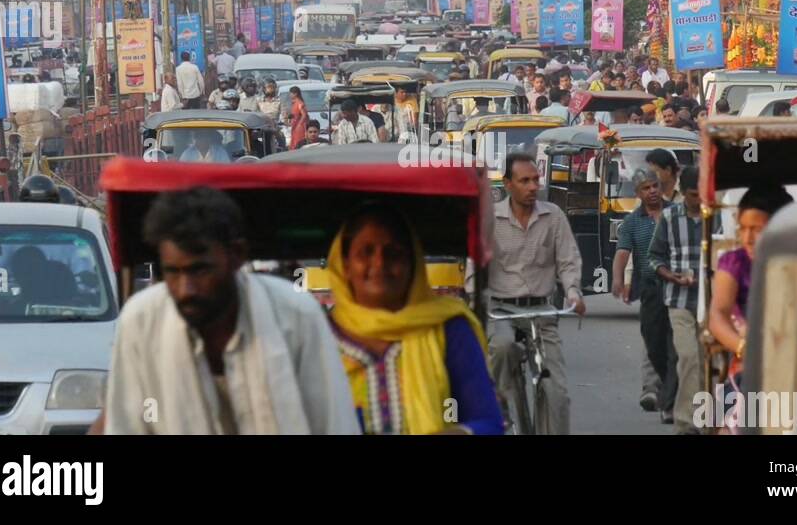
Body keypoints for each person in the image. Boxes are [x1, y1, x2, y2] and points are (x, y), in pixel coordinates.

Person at [103, 187, 359, 434]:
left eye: (199, 270)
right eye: (173, 272)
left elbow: (333, 423)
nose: (185, 290)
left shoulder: (296, 316)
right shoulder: (141, 321)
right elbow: (126, 425)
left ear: (237, 255)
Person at [326, 205, 503, 434]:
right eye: (365, 252)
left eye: (393, 253)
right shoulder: (319, 336)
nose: (379, 264)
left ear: (413, 264)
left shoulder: (448, 328)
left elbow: (488, 422)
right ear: (345, 266)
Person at [488, 152, 585, 435]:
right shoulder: (491, 219)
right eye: (524, 181)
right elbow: (476, 266)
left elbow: (568, 261)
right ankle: (501, 405)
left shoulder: (553, 216)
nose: (533, 187)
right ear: (507, 184)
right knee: (504, 347)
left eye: (535, 180)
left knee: (557, 393)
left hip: (542, 311)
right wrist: (472, 299)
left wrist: (573, 292)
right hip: (502, 310)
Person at [708, 185, 793, 372]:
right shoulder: (735, 263)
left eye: (757, 229)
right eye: (743, 228)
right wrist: (744, 348)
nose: (748, 238)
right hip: (748, 362)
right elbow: (718, 315)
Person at [614, 169, 676, 416]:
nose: (651, 191)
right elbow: (622, 251)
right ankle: (662, 386)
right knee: (653, 343)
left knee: (675, 343)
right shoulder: (632, 221)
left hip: (677, 286)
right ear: (638, 193)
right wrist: (618, 279)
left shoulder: (675, 213)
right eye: (645, 188)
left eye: (654, 186)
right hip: (650, 290)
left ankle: (667, 394)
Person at [648, 166, 703, 433]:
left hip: (711, 301)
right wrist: (671, 276)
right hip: (678, 300)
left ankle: (707, 419)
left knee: (709, 362)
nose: (699, 200)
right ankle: (685, 421)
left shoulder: (716, 217)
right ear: (683, 192)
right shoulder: (669, 218)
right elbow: (655, 258)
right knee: (689, 357)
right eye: (694, 195)